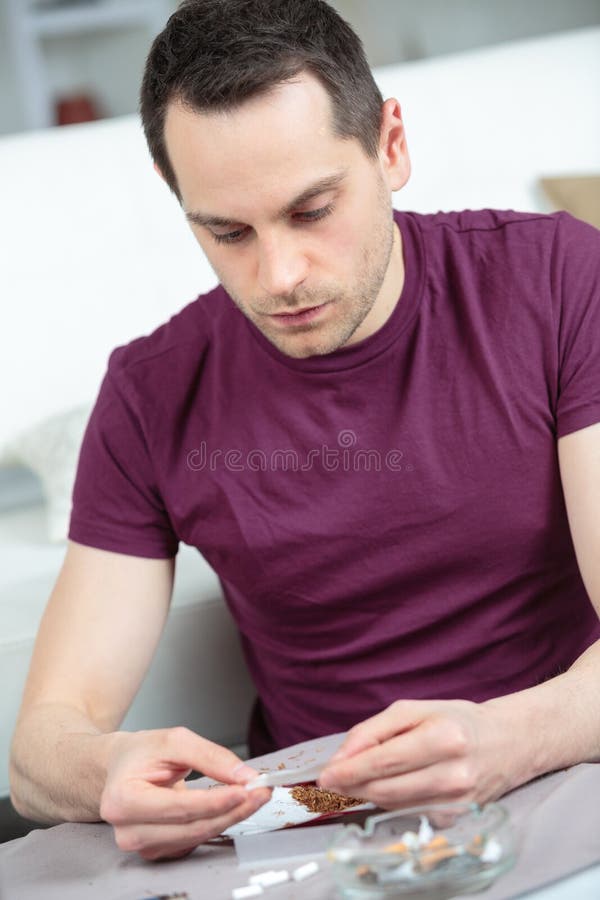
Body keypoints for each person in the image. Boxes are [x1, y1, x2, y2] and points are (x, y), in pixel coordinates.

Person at [10, 0, 600, 864]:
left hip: (568, 773)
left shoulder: (559, 281)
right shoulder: (150, 392)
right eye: (228, 232)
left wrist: (514, 737)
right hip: (326, 830)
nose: (279, 275)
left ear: (390, 148)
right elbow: (37, 754)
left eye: (313, 209)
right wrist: (106, 768)